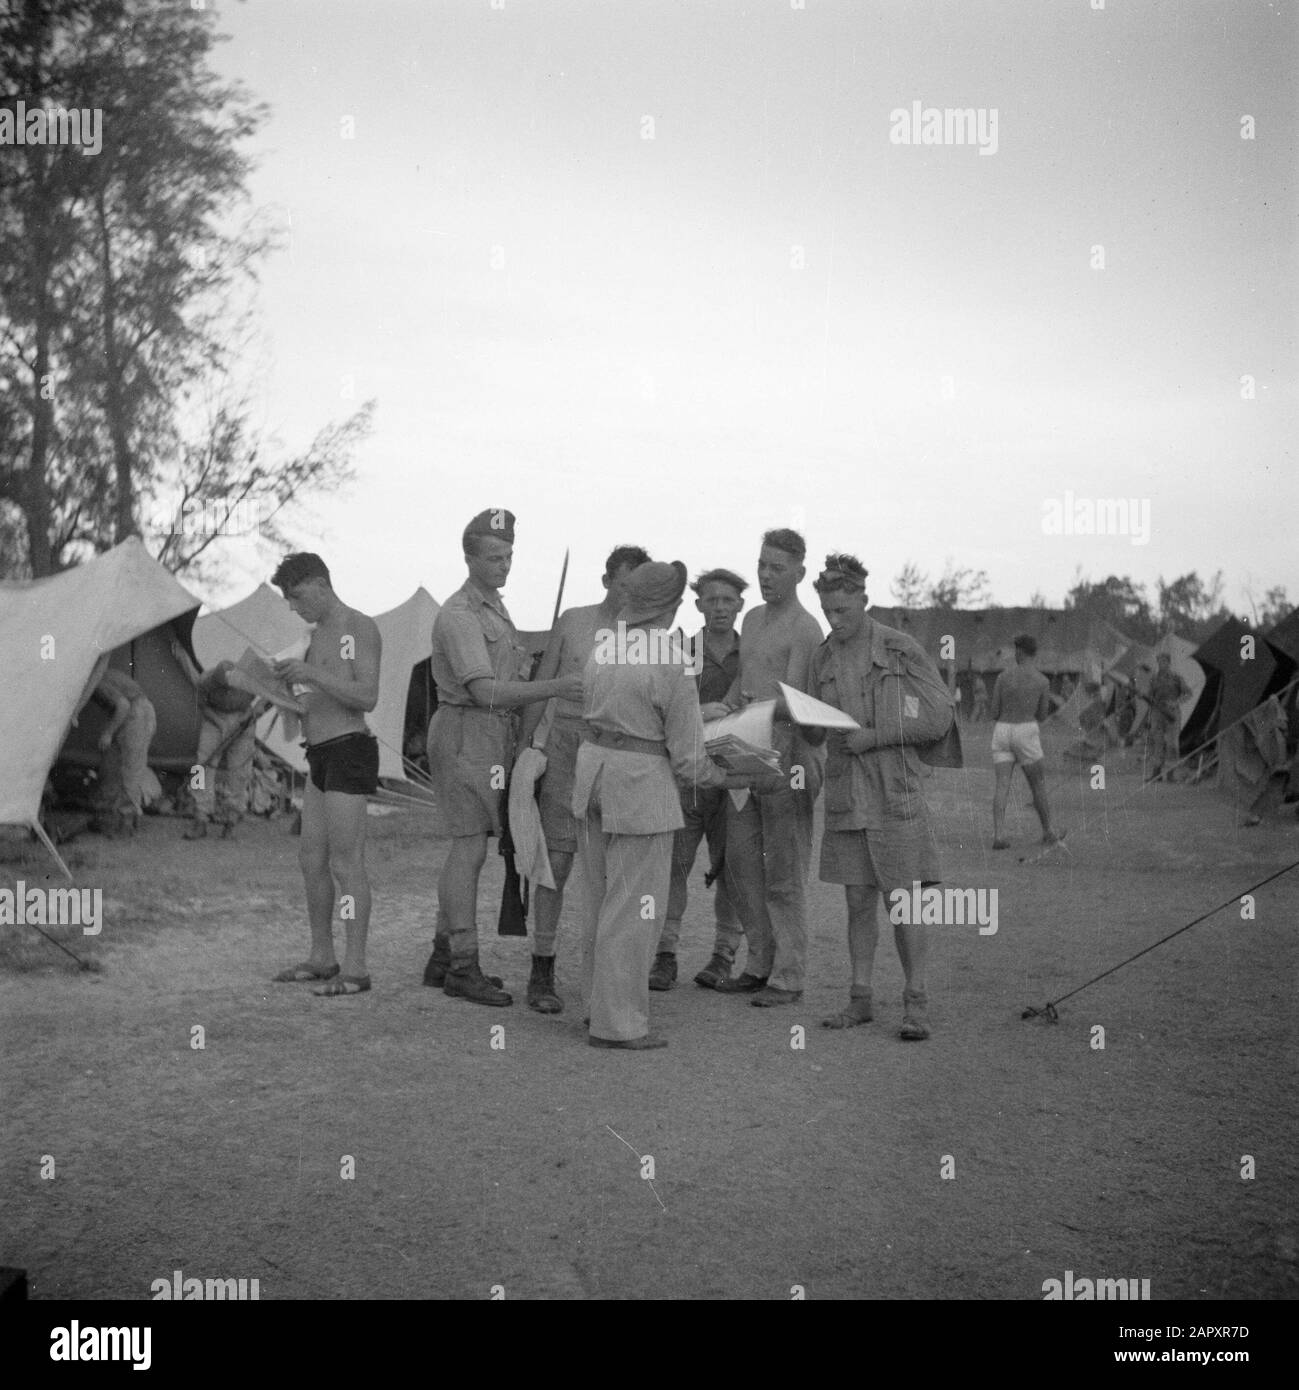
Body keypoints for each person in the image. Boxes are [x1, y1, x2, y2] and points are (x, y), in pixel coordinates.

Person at [572, 561, 773, 1049]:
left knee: (598, 902)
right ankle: (619, 1025)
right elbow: (688, 762)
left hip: (595, 774)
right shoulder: (671, 658)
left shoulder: (607, 647)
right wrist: (738, 775)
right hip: (640, 789)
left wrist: (694, 713)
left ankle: (594, 1008)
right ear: (673, 607)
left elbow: (628, 710)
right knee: (636, 909)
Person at [422, 509, 583, 1007]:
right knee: (467, 848)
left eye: (509, 554)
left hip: (490, 735)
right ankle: (463, 967)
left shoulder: (494, 608)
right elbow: (486, 689)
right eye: (493, 556)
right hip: (467, 731)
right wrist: (556, 685)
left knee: (472, 847)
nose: (504, 564)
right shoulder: (460, 614)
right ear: (468, 557)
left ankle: (443, 957)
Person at [806, 553, 952, 1040]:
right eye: (827, 611)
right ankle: (860, 999)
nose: (834, 619)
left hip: (895, 794)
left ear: (864, 600)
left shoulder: (899, 649)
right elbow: (811, 731)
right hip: (848, 795)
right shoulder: (822, 658)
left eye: (842, 610)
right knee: (856, 900)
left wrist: (877, 735)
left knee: (903, 902)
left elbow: (939, 717)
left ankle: (917, 1003)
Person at [515, 544, 652, 1013]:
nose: (628, 593)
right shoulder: (573, 621)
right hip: (565, 745)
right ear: (606, 580)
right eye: (622, 583)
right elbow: (542, 683)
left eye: (638, 587)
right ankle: (542, 968)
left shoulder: (645, 635)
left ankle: (607, 978)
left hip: (616, 750)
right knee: (555, 861)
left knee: (611, 869)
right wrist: (524, 750)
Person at [711, 529, 825, 1006]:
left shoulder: (806, 628)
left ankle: (788, 975)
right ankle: (758, 962)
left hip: (788, 762)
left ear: (799, 572)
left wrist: (749, 712)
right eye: (761, 565)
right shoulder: (753, 619)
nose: (765, 575)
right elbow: (745, 683)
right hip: (744, 758)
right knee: (740, 866)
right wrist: (721, 709)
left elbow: (798, 701)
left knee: (783, 872)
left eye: (776, 568)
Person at [268, 552, 382, 998]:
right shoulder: (312, 638)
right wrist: (278, 688)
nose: (295, 607)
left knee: (346, 863)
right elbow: (316, 698)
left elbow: (366, 695)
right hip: (318, 753)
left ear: (319, 583)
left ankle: (356, 968)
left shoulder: (358, 626)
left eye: (297, 597)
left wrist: (310, 673)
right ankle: (322, 956)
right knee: (310, 860)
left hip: (350, 750)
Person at [654, 567, 748, 991]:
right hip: (690, 776)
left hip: (736, 778)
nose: (720, 608)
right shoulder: (681, 649)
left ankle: (723, 954)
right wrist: (702, 709)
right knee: (674, 864)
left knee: (731, 868)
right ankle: (665, 953)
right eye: (712, 600)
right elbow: (667, 702)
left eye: (728, 600)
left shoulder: (752, 653)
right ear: (699, 606)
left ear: (740, 605)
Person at [989, 635, 1065, 849]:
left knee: (1002, 785)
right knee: (1037, 785)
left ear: (1020, 651)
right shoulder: (1042, 681)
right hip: (1026, 730)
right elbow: (1041, 715)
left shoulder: (1003, 677)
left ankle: (998, 836)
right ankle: (1049, 831)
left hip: (1002, 729)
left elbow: (994, 711)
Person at [177, 652, 261, 840]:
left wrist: (252, 714)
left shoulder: (253, 678)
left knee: (239, 771)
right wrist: (220, 724)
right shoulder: (205, 680)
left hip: (243, 718)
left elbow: (269, 697)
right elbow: (202, 705)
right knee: (201, 766)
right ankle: (200, 817)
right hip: (214, 719)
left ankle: (231, 821)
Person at [90, 664, 157, 838]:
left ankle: (126, 823)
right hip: (138, 711)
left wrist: (108, 733)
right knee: (115, 767)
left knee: (130, 771)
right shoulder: (104, 674)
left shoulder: (96, 680)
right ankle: (114, 817)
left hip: (136, 714)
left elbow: (123, 705)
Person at [1145, 651, 1192, 781]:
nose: (1161, 664)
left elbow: (1188, 693)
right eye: (1159, 661)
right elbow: (1150, 696)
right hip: (1157, 713)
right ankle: (1156, 773)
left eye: (1164, 661)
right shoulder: (1154, 679)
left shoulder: (1176, 678)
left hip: (1172, 713)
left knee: (1172, 744)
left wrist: (1175, 702)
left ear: (1169, 663)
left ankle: (1171, 774)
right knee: (1158, 742)